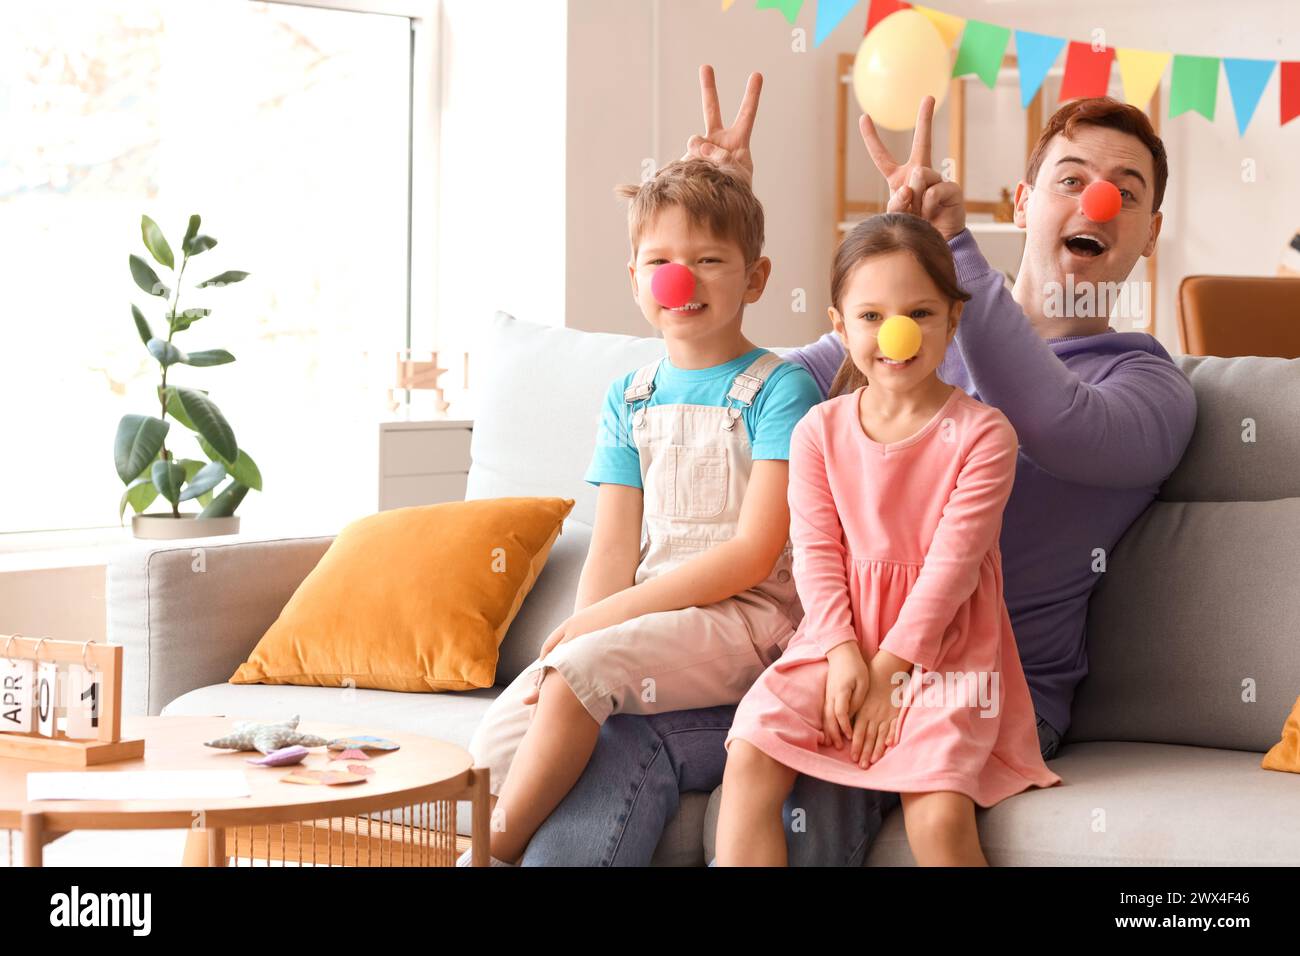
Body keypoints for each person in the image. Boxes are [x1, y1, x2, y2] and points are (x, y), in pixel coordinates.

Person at [519, 66, 1196, 867]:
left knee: (819, 782)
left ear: (1151, 230)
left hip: (974, 685)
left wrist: (951, 255)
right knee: (620, 729)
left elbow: (1048, 416)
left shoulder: (1149, 387)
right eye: (1071, 179)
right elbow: (758, 392)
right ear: (1023, 202)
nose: (1097, 202)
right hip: (825, 653)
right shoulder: (889, 341)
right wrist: (719, 225)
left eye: (1127, 189)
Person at [459, 157, 821, 865]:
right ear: (635, 280)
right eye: (659, 260)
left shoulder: (782, 389)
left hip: (747, 622)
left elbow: (754, 551)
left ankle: (491, 848)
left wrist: (596, 633)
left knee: (575, 678)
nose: (678, 280)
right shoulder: (629, 394)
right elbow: (613, 548)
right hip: (653, 625)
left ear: (755, 277)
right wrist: (578, 629)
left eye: (708, 259)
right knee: (499, 737)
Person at [716, 212, 1061, 866]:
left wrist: (890, 672)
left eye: (920, 313)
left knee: (936, 817)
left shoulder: (986, 436)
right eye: (870, 316)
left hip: (940, 654)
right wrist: (846, 656)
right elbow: (816, 554)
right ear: (839, 326)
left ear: (953, 321)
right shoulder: (817, 431)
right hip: (833, 641)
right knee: (751, 754)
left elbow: (950, 572)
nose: (894, 333)